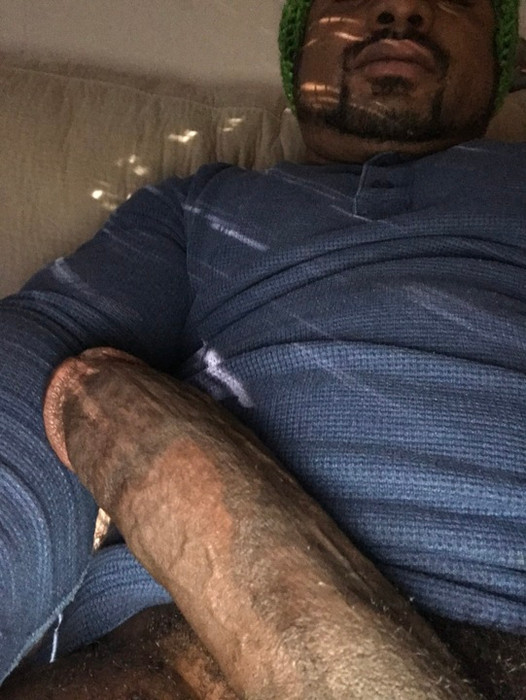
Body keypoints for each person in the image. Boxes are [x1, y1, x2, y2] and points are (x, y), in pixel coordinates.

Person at [0, 0, 525, 696]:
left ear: (499, 61)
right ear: (299, 52)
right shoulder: (198, 206)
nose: (400, 7)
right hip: (166, 653)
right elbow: (47, 343)